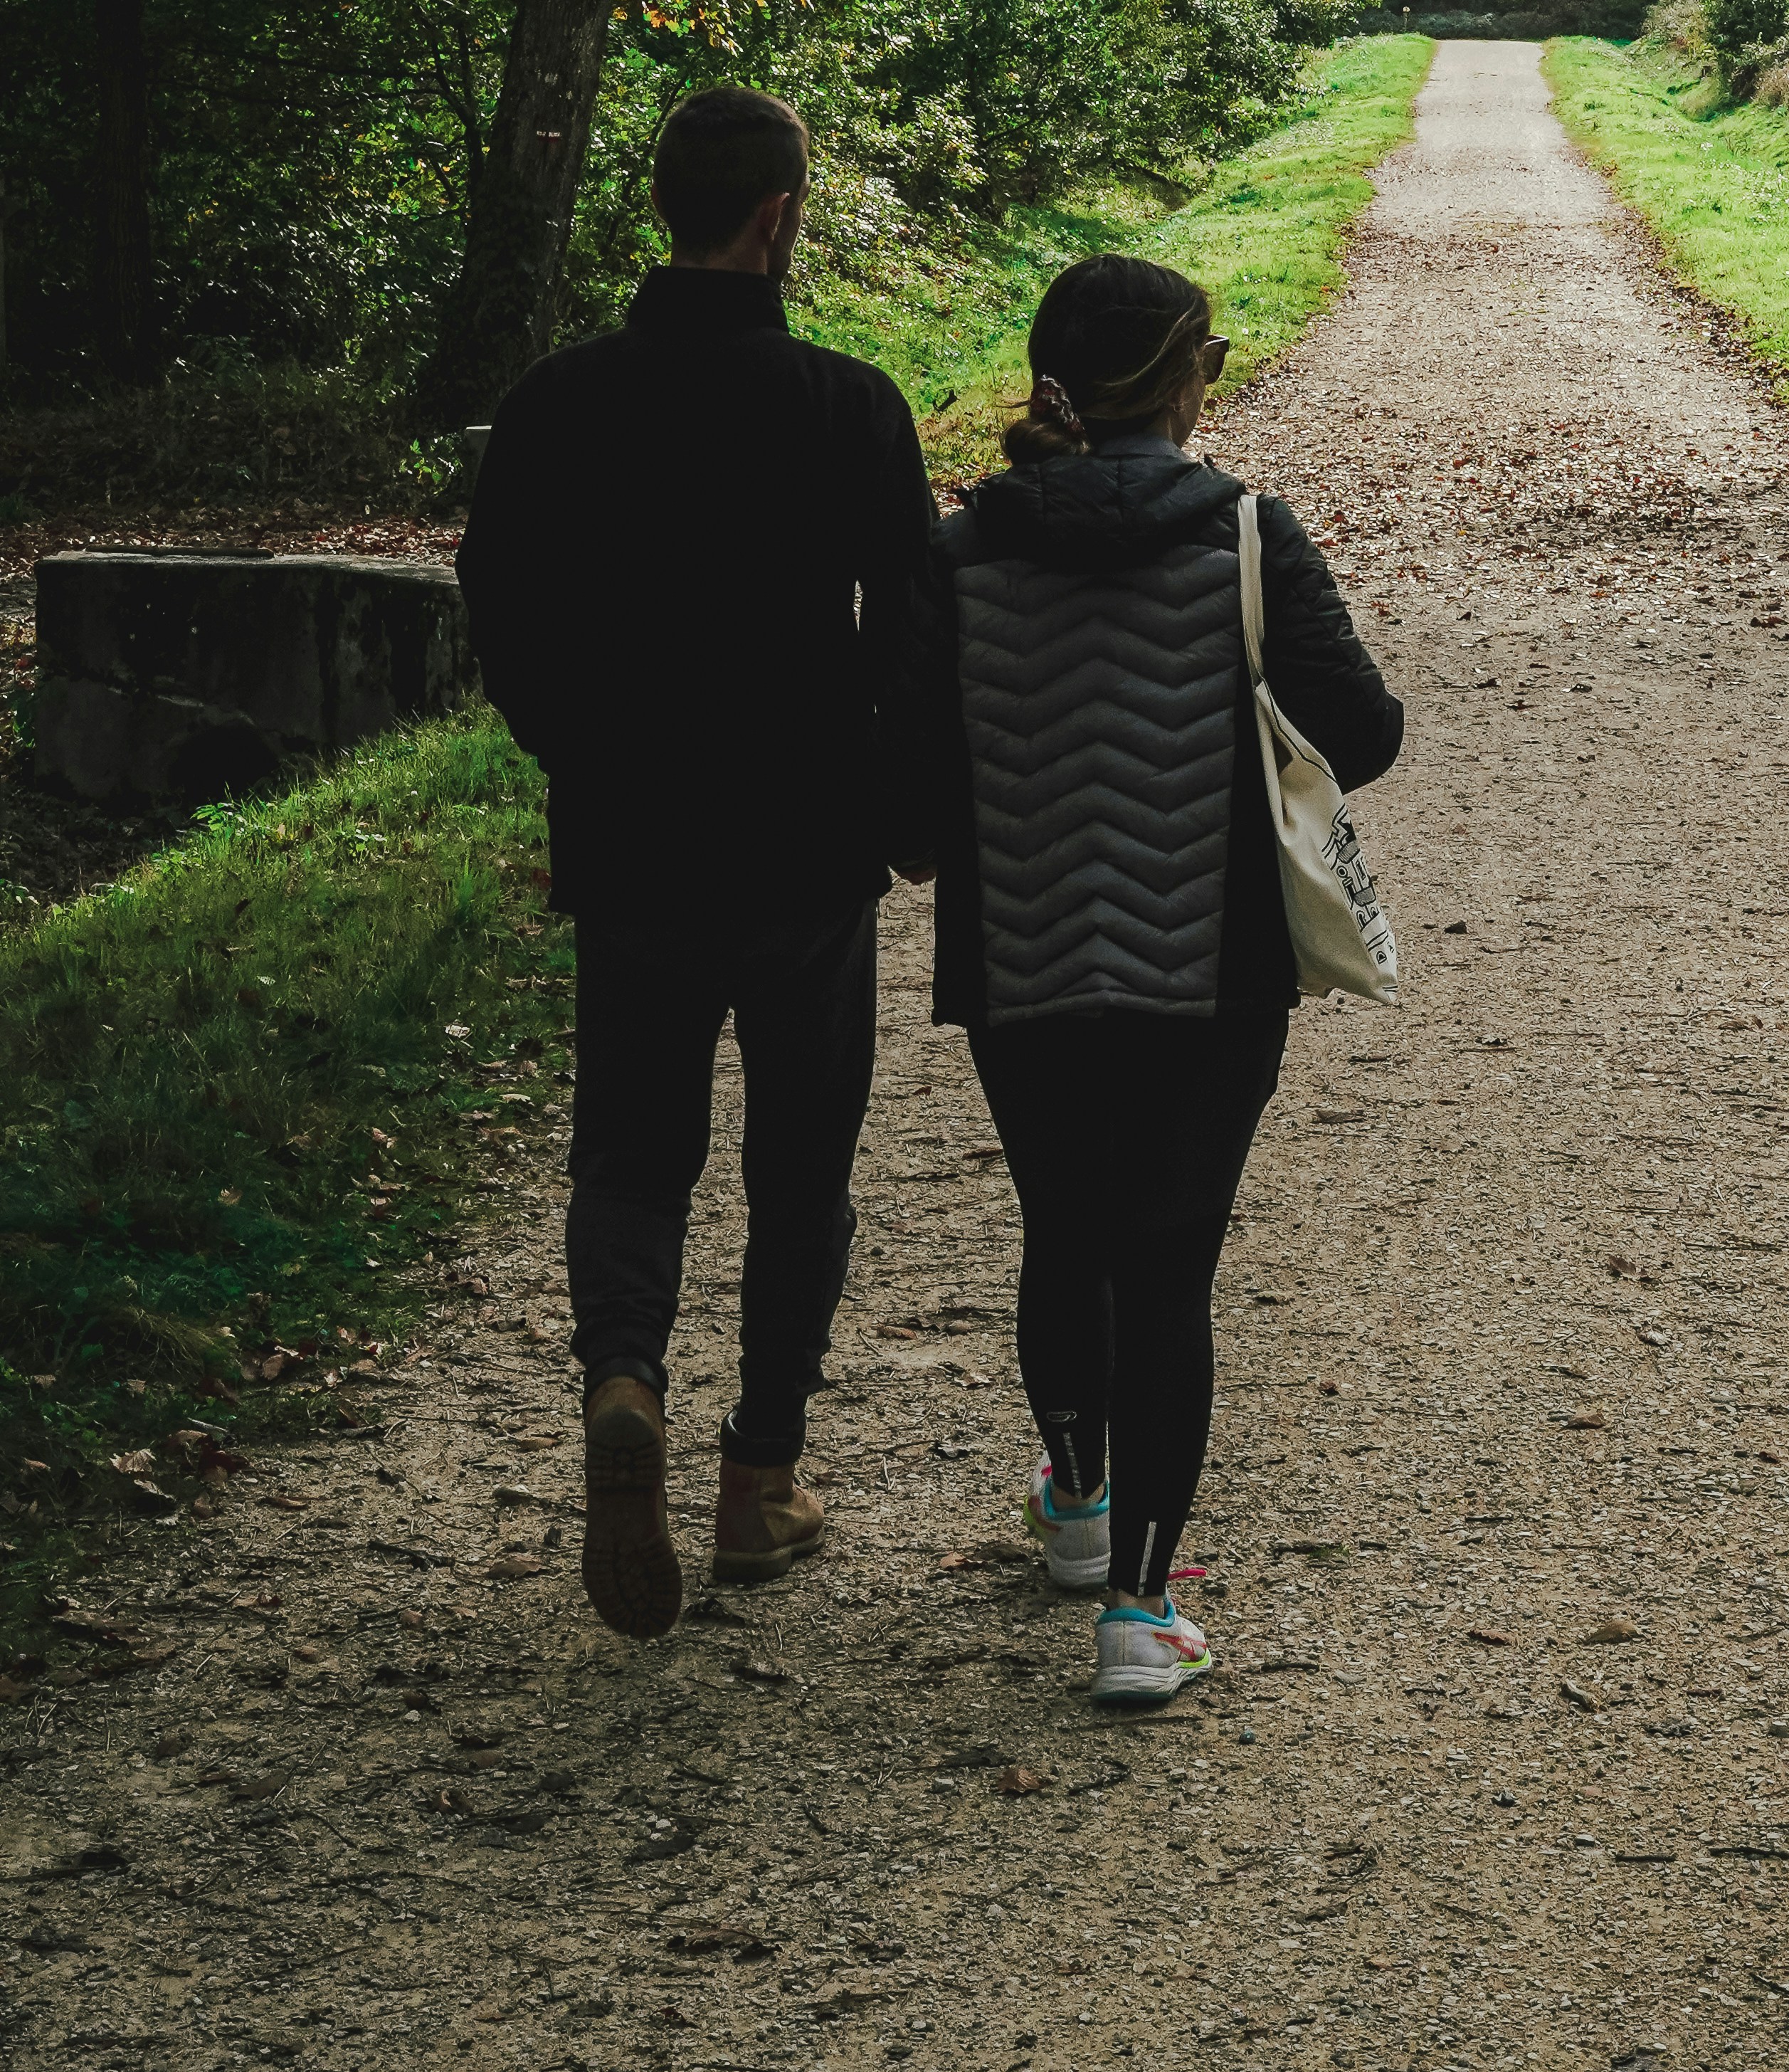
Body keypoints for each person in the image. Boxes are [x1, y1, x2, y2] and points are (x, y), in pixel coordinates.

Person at [457, 85, 936, 1640]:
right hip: (806, 848)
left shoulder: (553, 404)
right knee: (802, 1166)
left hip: (635, 837)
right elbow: (917, 636)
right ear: (779, 217)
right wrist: (906, 807)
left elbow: (503, 617)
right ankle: (757, 1482)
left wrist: (578, 756)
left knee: (633, 1143)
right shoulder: (849, 406)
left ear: (665, 209)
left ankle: (622, 1376)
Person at [927, 253, 1401, 1706]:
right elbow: (1364, 734)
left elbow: (908, 777)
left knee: (1062, 1229)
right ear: (1188, 378)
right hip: (1210, 974)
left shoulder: (960, 549)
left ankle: (1072, 1497)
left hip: (1018, 958)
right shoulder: (1250, 535)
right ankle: (1139, 1607)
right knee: (1168, 1264)